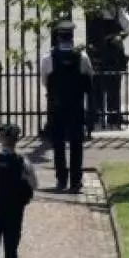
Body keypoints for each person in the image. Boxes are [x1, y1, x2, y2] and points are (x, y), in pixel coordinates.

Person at [41, 20, 93, 191]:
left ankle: (61, 179)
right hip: (76, 106)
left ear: (57, 38)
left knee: (58, 144)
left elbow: (45, 81)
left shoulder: (49, 58)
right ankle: (76, 180)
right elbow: (89, 80)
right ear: (71, 38)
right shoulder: (82, 57)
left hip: (56, 106)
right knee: (76, 144)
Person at [0, 123, 37, 258]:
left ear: (0, 138)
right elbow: (33, 183)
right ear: (16, 140)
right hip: (14, 209)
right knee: (11, 247)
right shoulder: (22, 162)